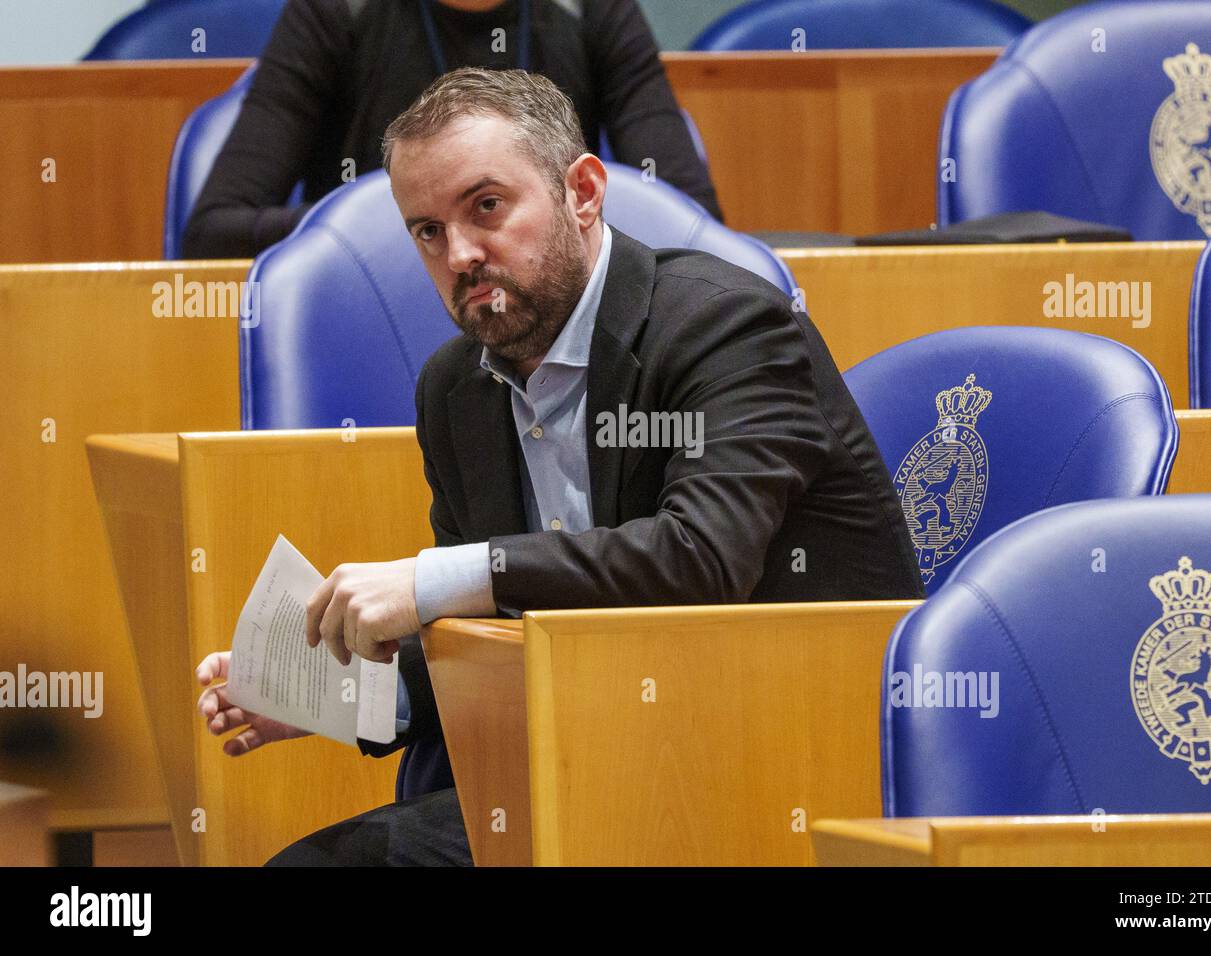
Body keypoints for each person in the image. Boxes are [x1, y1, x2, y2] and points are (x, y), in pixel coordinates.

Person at [195, 67, 923, 866]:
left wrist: (432, 578)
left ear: (582, 192)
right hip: (593, 757)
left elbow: (700, 560)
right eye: (428, 232)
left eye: (486, 207)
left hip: (772, 759)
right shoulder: (455, 389)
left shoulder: (726, 326)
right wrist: (340, 695)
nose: (461, 254)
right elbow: (497, 634)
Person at [181, 0, 723, 259]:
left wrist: (521, 226)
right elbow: (214, 233)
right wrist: (424, 230)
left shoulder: (594, 11)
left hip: (558, 322)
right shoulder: (335, 12)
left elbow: (691, 219)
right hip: (377, 307)